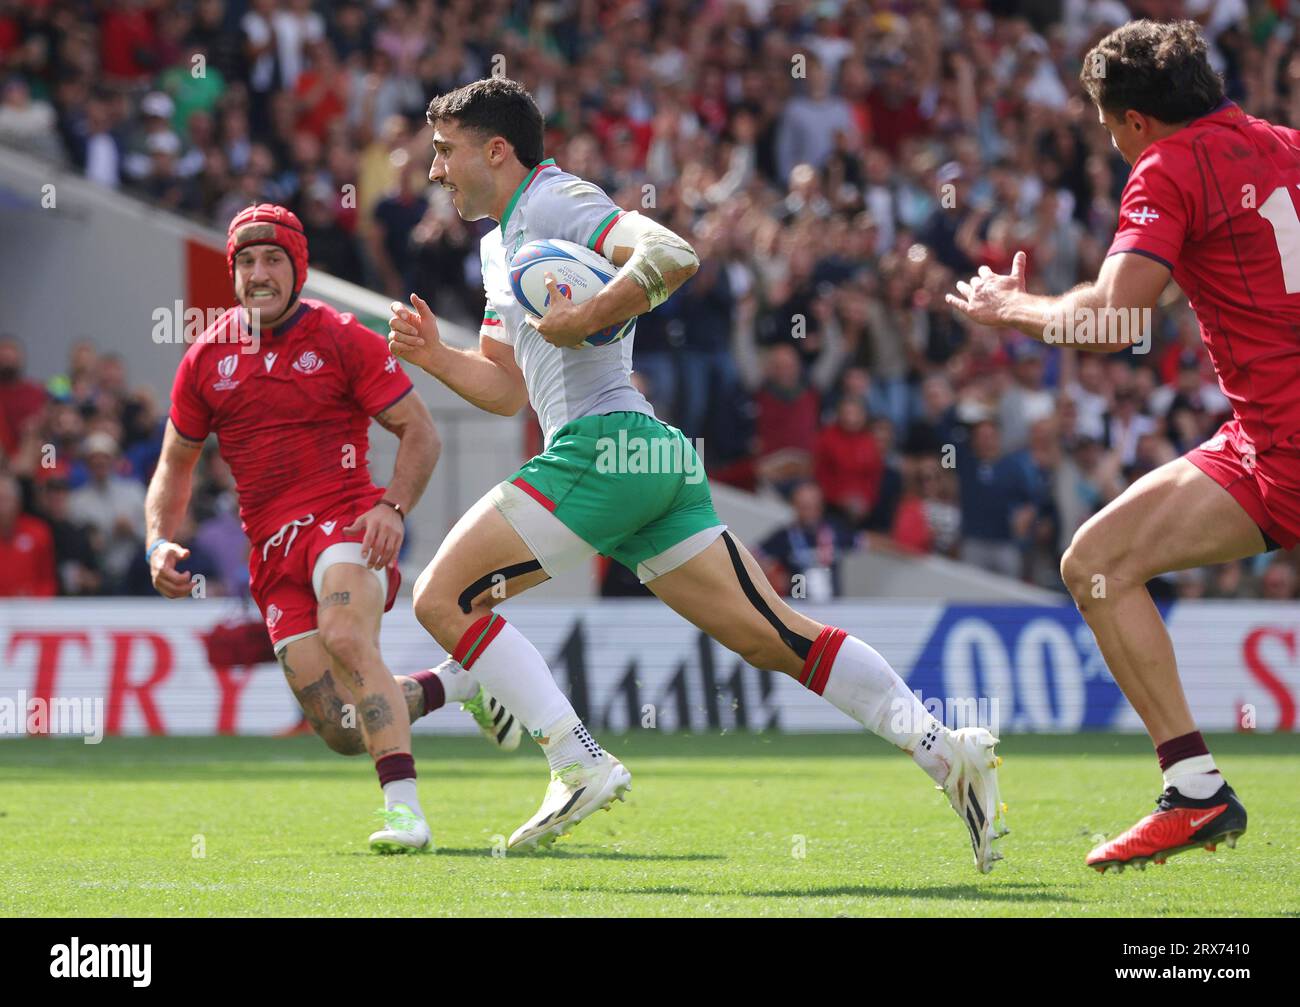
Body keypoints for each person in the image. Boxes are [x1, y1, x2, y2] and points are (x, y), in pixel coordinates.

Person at [389, 78, 1006, 871]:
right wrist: (436, 357)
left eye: (446, 151)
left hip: (601, 448)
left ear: (496, 150)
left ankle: (571, 755)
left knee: (441, 597)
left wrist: (592, 312)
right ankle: (945, 749)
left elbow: (674, 253)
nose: (436, 171)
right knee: (775, 634)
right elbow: (508, 386)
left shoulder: (553, 201)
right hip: (646, 455)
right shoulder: (496, 243)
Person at [946, 19, 1299, 873]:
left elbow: (1109, 321)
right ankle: (1195, 792)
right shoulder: (1281, 144)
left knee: (1099, 568)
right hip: (1259, 439)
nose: (1106, 137)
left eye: (1107, 122)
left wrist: (1012, 308)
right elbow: (1223, 265)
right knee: (1096, 559)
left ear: (1136, 119)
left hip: (1284, 444)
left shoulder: (1168, 166)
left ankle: (1197, 788)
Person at [145, 203, 520, 855]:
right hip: (272, 551)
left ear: (298, 268)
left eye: (273, 260)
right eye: (247, 262)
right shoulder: (206, 358)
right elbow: (175, 464)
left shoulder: (344, 336)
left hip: (347, 524)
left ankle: (406, 812)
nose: (259, 273)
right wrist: (157, 538)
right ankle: (453, 682)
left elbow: (420, 433)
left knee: (347, 633)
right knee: (345, 728)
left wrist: (392, 507)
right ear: (232, 273)